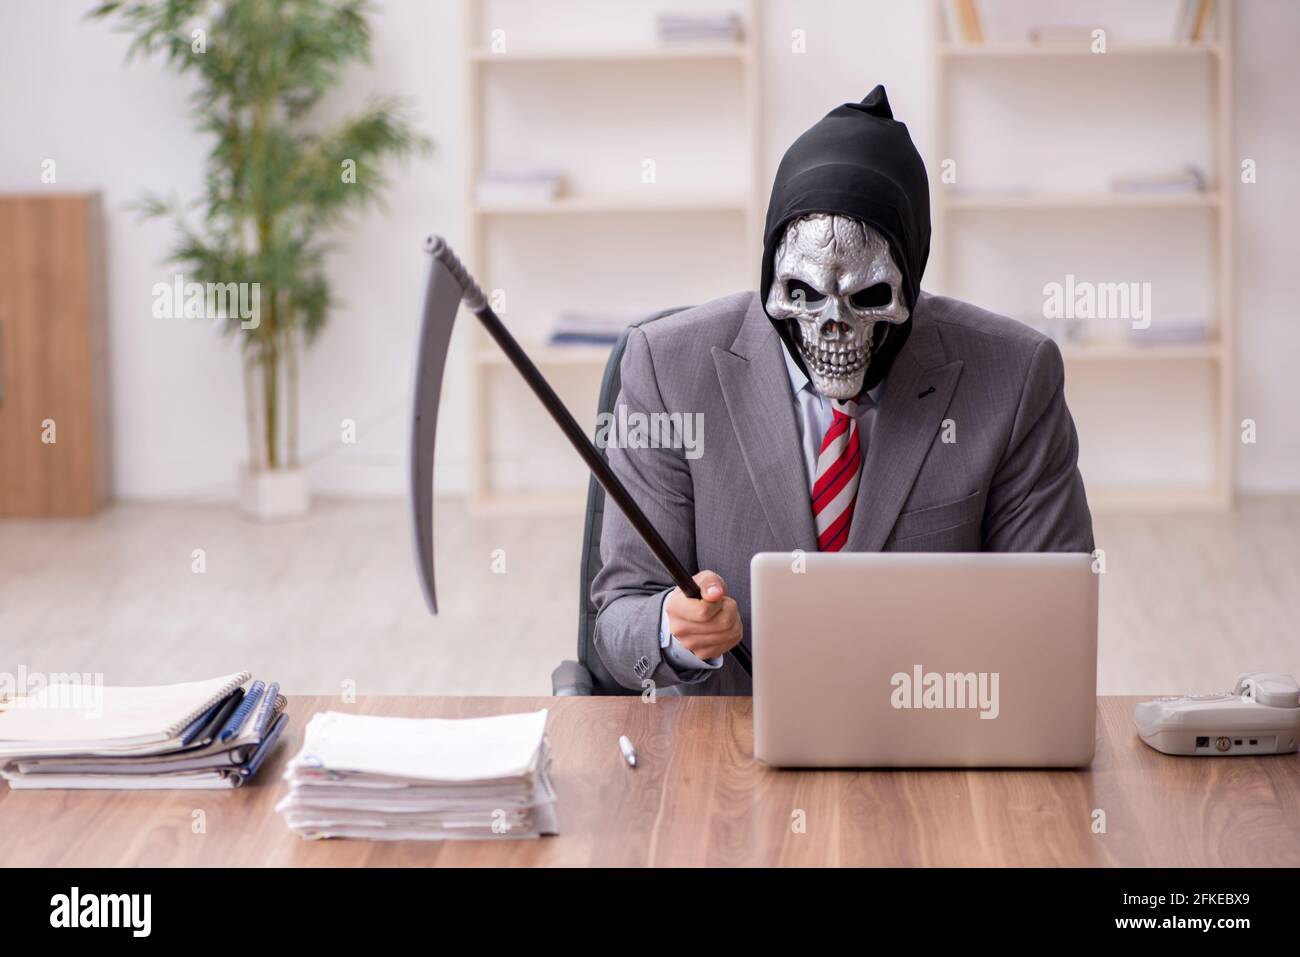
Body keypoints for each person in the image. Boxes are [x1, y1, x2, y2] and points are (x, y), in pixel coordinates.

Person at [591, 86, 1093, 695]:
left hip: (933, 735)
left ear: (908, 277)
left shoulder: (1016, 376)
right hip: (730, 750)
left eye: (867, 297)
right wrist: (672, 627)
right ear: (772, 275)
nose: (833, 325)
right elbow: (620, 617)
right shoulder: (666, 369)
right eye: (803, 293)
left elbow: (1051, 621)